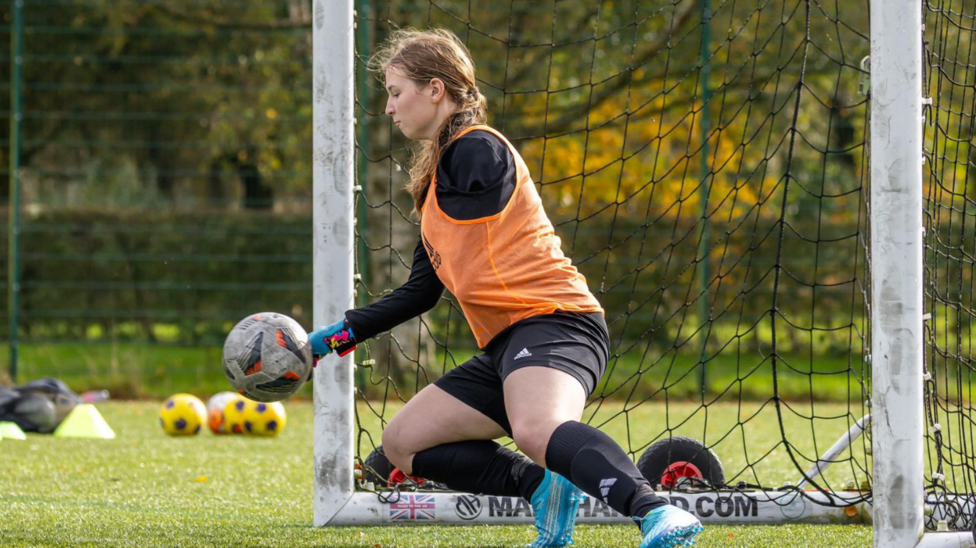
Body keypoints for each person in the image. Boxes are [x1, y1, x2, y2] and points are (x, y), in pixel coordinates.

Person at [309, 28, 703, 548]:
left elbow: (484, 197)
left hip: (556, 322)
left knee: (536, 429)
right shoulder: (434, 192)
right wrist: (328, 343)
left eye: (396, 91)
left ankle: (656, 512)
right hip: (508, 346)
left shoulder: (476, 148)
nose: (387, 107)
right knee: (403, 442)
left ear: (435, 90)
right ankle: (542, 486)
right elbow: (419, 295)